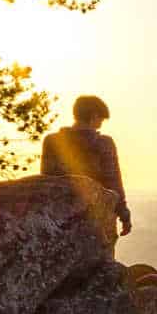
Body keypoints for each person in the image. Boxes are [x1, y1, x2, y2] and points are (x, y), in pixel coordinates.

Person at [41, 95, 131, 238]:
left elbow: (45, 179)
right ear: (94, 115)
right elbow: (113, 180)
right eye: (101, 120)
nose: (100, 124)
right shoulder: (103, 143)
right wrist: (123, 212)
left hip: (57, 216)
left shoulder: (52, 141)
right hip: (95, 219)